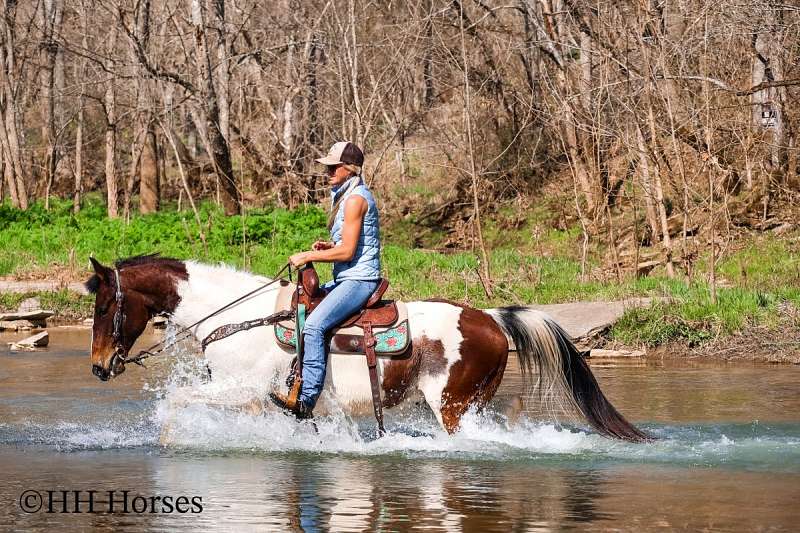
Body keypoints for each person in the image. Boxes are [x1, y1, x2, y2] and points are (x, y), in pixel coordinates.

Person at [270, 141, 381, 419]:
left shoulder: (355, 200)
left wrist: (309, 255)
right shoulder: (345, 196)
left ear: (349, 169)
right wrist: (328, 245)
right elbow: (345, 243)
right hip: (347, 277)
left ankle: (306, 399)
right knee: (302, 310)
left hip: (359, 281)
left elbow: (348, 251)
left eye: (333, 167)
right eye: (328, 166)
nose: (328, 171)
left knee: (316, 326)